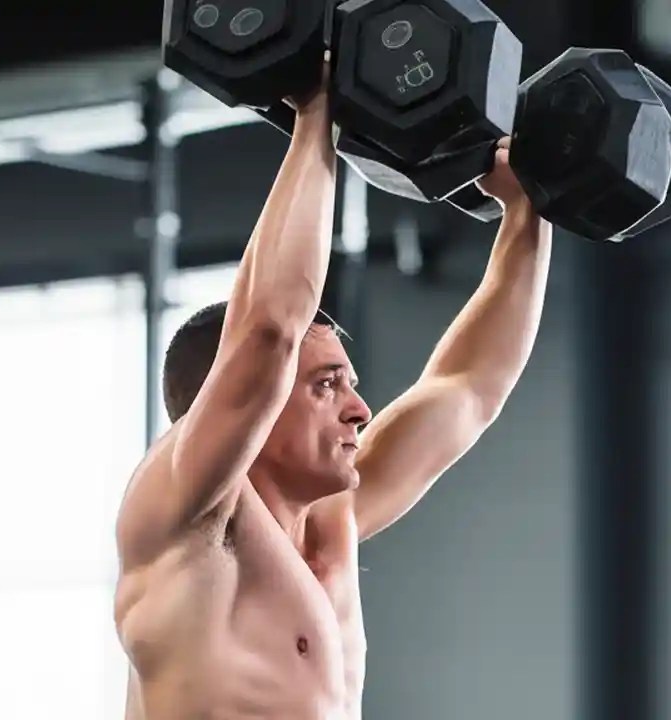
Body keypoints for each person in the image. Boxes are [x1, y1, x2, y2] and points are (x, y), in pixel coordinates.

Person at [113, 65, 552, 720]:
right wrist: (316, 114)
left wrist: (528, 212)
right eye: (326, 386)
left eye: (350, 384)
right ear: (246, 405)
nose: (360, 410)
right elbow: (268, 330)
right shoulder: (182, 516)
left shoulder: (331, 521)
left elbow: (471, 387)